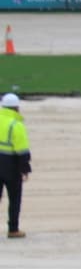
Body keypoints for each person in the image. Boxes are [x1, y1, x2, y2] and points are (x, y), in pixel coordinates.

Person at [0, 92, 31, 239]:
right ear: (16, 108)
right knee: (14, 199)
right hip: (11, 166)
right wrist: (25, 169)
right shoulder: (16, 125)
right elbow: (22, 150)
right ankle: (13, 229)